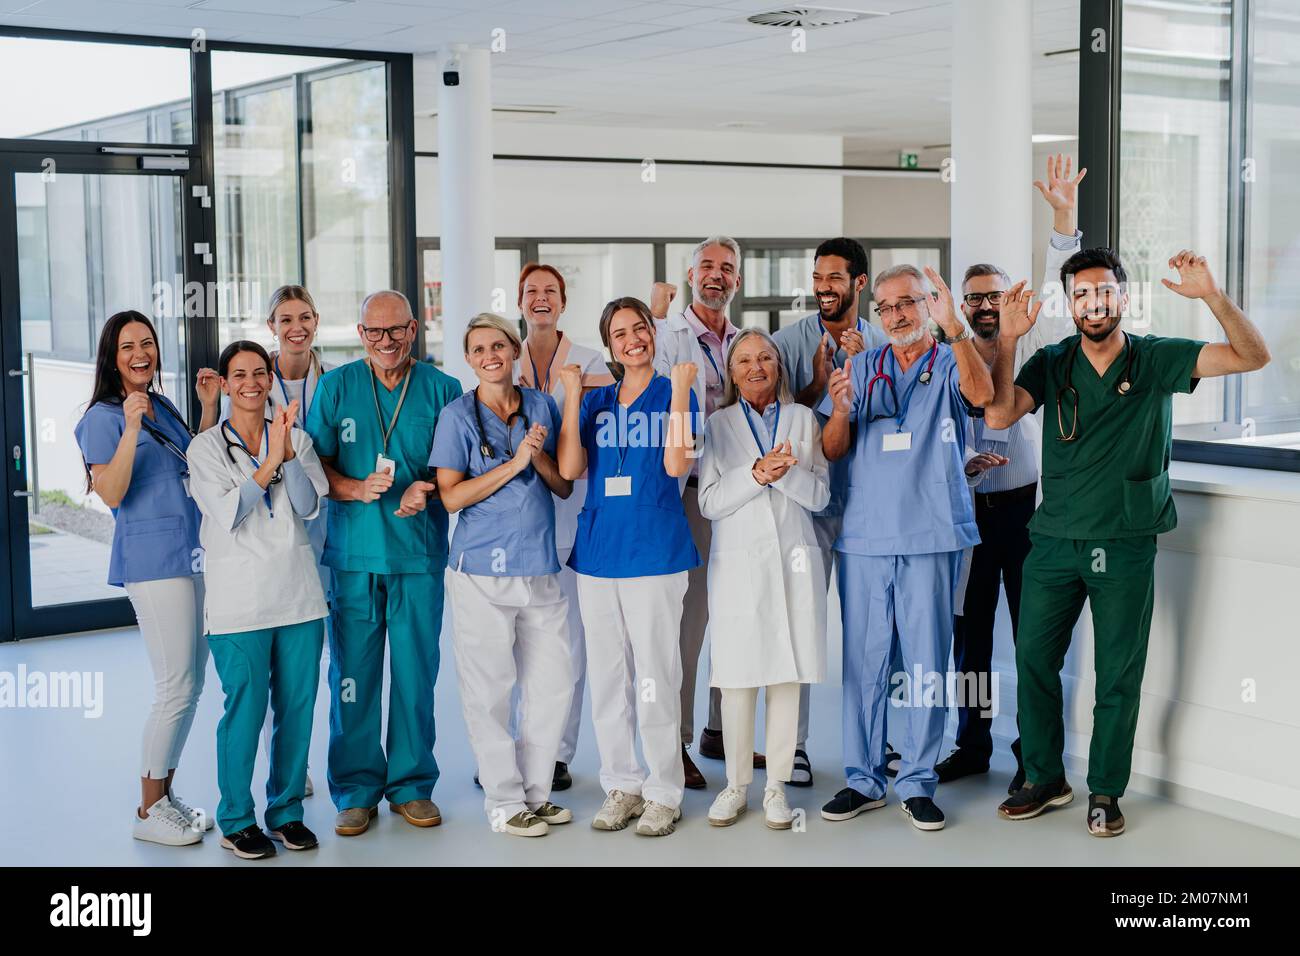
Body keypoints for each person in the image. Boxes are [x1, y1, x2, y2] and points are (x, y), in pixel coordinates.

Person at [986, 248, 1269, 836]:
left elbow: (1253, 355)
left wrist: (1212, 296)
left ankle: (1106, 791)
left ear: (1124, 296)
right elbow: (1000, 415)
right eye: (1083, 294)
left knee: (1118, 673)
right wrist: (1009, 340)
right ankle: (1043, 776)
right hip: (1057, 538)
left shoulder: (1159, 357)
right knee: (1034, 660)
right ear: (1069, 305)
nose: (1095, 303)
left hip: (1125, 539)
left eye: (1105, 291)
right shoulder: (1053, 360)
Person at [817, 265, 999, 832]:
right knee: (864, 661)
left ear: (928, 305)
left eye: (908, 303)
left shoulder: (950, 359)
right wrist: (842, 407)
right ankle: (864, 778)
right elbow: (832, 446)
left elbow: (983, 395)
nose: (897, 315)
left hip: (930, 533)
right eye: (886, 306)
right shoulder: (861, 365)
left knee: (925, 662)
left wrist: (956, 330)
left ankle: (918, 780)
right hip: (867, 535)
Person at [939, 154, 1087, 791]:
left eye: (993, 295)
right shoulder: (951, 356)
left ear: (1009, 299)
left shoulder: (1037, 341)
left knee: (1033, 641)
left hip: (1027, 514)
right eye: (972, 299)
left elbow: (1062, 288)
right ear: (964, 307)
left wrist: (1061, 216)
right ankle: (972, 743)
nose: (984, 306)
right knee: (970, 644)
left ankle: (1034, 753)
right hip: (966, 515)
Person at [305, 290, 463, 837]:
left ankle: (413, 785)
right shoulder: (337, 386)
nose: (386, 342)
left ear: (414, 329)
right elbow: (313, 465)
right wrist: (352, 487)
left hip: (418, 555)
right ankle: (355, 790)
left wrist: (427, 488)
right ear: (360, 333)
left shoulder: (444, 391)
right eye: (374, 332)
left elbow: (457, 475)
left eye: (395, 331)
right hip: (353, 556)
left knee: (417, 675)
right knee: (352, 677)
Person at [557, 296, 700, 837]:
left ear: (653, 334)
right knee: (608, 676)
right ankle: (622, 784)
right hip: (598, 554)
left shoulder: (673, 392)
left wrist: (683, 389)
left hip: (655, 553)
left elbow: (676, 464)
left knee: (655, 675)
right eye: (620, 334)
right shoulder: (596, 403)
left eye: (640, 328)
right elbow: (571, 469)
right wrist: (572, 398)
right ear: (610, 345)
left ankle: (665, 789)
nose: (633, 339)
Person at [74, 310, 218, 846]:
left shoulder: (165, 404)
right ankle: (147, 810)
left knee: (193, 684)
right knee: (173, 685)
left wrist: (206, 410)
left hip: (192, 553)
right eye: (128, 345)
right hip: (154, 562)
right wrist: (131, 427)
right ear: (112, 357)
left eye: (149, 342)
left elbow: (197, 463)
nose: (141, 353)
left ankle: (167, 797)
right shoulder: (104, 416)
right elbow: (110, 491)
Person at [431, 313, 575, 837]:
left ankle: (535, 794)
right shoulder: (455, 417)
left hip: (537, 565)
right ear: (469, 360)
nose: (490, 355)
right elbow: (450, 497)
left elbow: (561, 485)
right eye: (478, 349)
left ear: (514, 351)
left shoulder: (541, 405)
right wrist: (514, 464)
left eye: (499, 345)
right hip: (479, 575)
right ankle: (503, 799)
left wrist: (534, 461)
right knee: (490, 690)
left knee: (553, 684)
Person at [187, 340, 329, 859]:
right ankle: (235, 819)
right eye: (239, 374)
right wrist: (270, 460)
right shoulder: (203, 449)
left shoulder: (298, 440)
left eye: (260, 373)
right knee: (245, 712)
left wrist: (287, 455)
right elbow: (232, 512)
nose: (251, 382)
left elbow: (310, 505)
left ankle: (287, 812)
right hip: (239, 603)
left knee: (296, 710)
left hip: (299, 599)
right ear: (224, 385)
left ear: (271, 380)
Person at [697, 329, 830, 830]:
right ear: (731, 373)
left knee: (785, 676)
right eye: (745, 360)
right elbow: (709, 502)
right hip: (738, 565)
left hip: (794, 561)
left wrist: (785, 473)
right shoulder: (717, 423)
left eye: (766, 358)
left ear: (779, 366)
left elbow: (819, 497)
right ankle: (735, 786)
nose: (756, 367)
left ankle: (775, 787)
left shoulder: (802, 419)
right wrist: (756, 474)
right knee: (736, 681)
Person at [774, 236, 889, 786]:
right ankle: (791, 747)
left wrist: (864, 368)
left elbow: (897, 420)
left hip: (869, 507)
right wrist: (819, 382)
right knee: (802, 623)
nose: (824, 287)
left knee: (871, 632)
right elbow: (770, 418)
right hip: (806, 508)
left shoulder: (889, 342)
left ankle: (877, 743)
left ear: (859, 283)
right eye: (818, 277)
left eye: (835, 278)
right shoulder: (786, 342)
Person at [649, 235, 757, 789]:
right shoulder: (670, 336)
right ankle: (677, 744)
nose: (717, 276)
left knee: (736, 614)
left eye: (728, 269)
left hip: (739, 494)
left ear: (738, 280)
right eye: (708, 267)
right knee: (689, 628)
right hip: (689, 494)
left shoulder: (745, 342)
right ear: (692, 275)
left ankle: (722, 728)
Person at [515, 263, 615, 791]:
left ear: (562, 302)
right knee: (519, 647)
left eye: (550, 291)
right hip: (516, 523)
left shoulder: (590, 361)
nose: (541, 299)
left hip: (572, 517)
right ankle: (519, 748)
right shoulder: (503, 361)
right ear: (520, 301)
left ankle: (556, 754)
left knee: (568, 646)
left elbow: (596, 439)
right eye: (532, 292)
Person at [243, 284, 335, 799]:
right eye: (285, 319)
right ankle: (286, 770)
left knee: (311, 662)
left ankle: (309, 759)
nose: (295, 326)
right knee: (272, 660)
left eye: (304, 317)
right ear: (271, 326)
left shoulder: (337, 380)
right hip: (270, 529)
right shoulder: (257, 380)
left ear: (316, 322)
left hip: (324, 529)